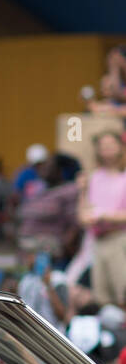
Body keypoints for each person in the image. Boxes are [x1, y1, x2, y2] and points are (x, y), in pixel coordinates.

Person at [80, 130, 126, 307]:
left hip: (119, 239)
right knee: (102, 298)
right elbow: (83, 215)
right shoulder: (94, 177)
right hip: (97, 241)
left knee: (122, 293)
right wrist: (82, 191)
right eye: (102, 146)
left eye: (110, 145)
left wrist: (104, 215)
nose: (106, 150)